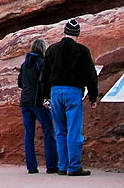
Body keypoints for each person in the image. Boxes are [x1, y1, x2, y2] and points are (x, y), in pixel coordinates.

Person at [41, 19, 99, 176]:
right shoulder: (82, 51)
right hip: (73, 91)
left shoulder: (52, 50)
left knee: (60, 130)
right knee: (74, 130)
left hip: (54, 92)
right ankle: (73, 167)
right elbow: (90, 75)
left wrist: (45, 96)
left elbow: (44, 75)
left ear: (64, 32)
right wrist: (93, 96)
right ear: (77, 34)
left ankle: (62, 165)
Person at [17, 37, 59, 175]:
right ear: (43, 48)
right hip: (38, 102)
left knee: (29, 133)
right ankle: (52, 165)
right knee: (48, 131)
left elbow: (20, 83)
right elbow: (45, 81)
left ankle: (31, 167)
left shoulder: (24, 64)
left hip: (25, 102)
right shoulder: (42, 63)